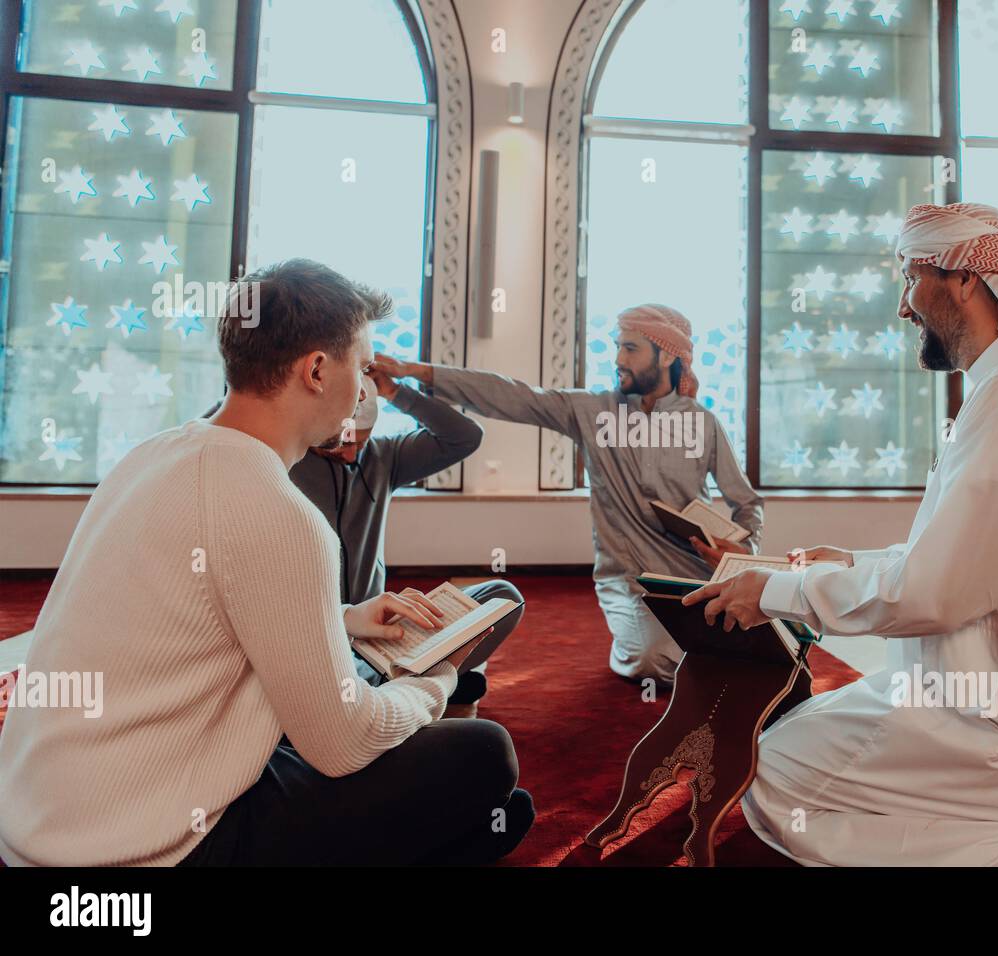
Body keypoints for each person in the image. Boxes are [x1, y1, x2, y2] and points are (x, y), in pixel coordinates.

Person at [0, 259, 532, 866]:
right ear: (315, 370)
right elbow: (343, 743)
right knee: (486, 756)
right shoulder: (278, 511)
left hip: (36, 820)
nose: (363, 391)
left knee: (500, 818)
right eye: (361, 368)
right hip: (142, 851)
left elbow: (203, 610)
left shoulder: (151, 455)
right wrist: (434, 682)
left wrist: (345, 618)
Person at [684, 203, 998, 866]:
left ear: (964, 278)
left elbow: (938, 591)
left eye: (910, 278)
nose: (903, 306)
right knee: (794, 736)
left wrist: (777, 591)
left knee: (768, 776)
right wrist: (846, 560)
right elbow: (971, 559)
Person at [372, 304, 763, 686]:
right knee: (654, 663)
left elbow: (746, 503)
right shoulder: (591, 411)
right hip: (632, 582)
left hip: (697, 575)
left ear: (666, 356)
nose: (618, 359)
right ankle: (639, 640)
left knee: (770, 637)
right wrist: (411, 372)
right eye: (617, 346)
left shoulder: (703, 423)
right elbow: (510, 395)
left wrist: (744, 552)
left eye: (630, 348)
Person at [210, 286, 526, 719]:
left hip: (378, 627)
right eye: (341, 442)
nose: (351, 454)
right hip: (317, 633)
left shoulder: (384, 458)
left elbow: (464, 437)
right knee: (475, 734)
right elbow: (235, 418)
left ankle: (423, 680)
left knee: (499, 596)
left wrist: (397, 389)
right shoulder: (281, 457)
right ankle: (428, 688)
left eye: (361, 441)